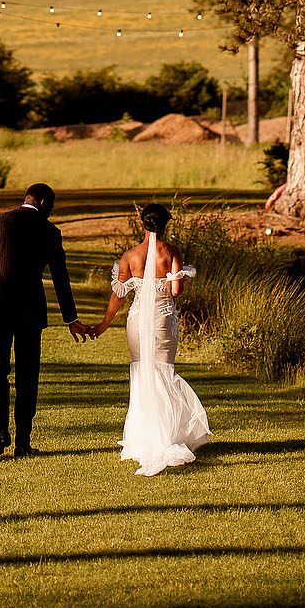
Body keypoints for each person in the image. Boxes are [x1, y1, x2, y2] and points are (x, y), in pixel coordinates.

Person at [0, 182, 89, 457]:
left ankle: (0, 430)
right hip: (31, 310)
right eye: (51, 206)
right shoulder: (50, 231)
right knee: (27, 376)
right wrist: (71, 318)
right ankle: (22, 441)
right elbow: (60, 278)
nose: (51, 211)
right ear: (44, 202)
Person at [90, 203, 211, 475]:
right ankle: (166, 436)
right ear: (166, 223)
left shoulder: (130, 255)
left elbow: (119, 294)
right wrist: (178, 279)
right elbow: (175, 291)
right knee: (164, 372)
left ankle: (143, 437)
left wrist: (103, 324)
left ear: (142, 223)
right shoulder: (171, 252)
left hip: (137, 321)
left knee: (143, 373)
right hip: (163, 321)